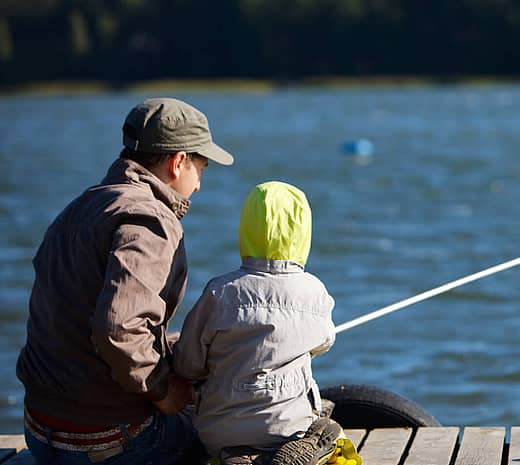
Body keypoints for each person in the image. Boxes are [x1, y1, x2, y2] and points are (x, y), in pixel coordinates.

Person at [17, 97, 235, 464]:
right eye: (202, 167)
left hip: (40, 431)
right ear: (178, 162)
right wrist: (164, 392)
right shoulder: (150, 222)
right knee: (227, 429)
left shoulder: (82, 207)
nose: (198, 185)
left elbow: (85, 323)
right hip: (105, 443)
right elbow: (117, 330)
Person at [172, 181, 339, 464]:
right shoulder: (314, 291)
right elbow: (325, 342)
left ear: (246, 230)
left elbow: (188, 364)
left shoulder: (220, 291)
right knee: (327, 429)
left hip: (218, 432)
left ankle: (240, 456)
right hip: (288, 429)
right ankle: (295, 450)